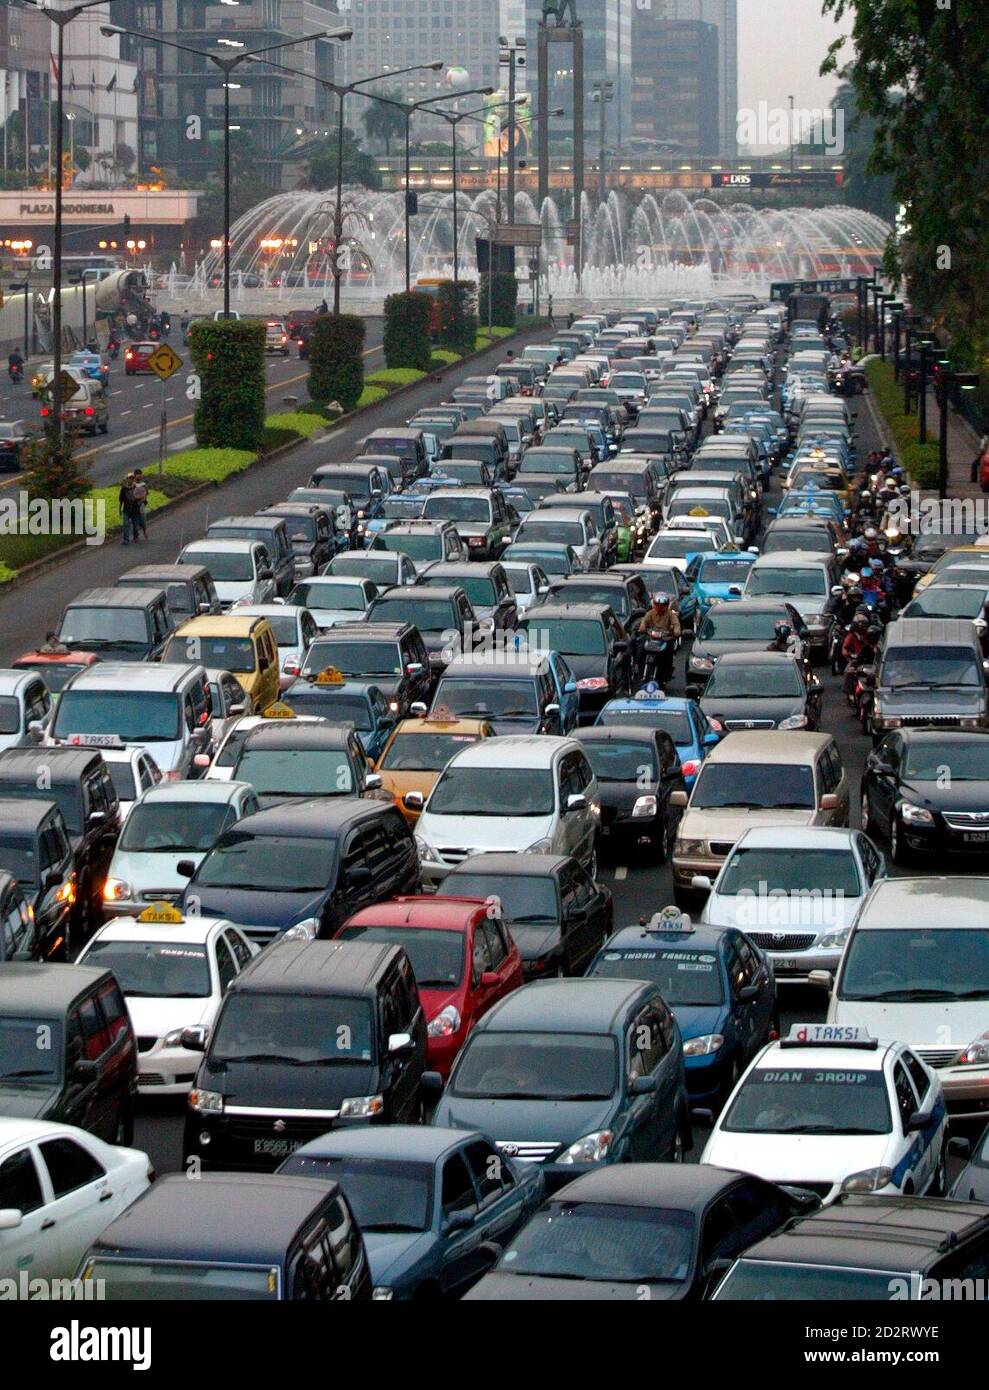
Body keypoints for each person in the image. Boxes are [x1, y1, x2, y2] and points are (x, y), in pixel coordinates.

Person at [119, 472, 142, 546]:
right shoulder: (124, 489)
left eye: (132, 478)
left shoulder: (136, 488)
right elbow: (121, 499)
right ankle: (126, 539)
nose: (131, 480)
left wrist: (139, 505)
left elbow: (140, 498)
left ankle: (136, 536)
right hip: (126, 509)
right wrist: (120, 509)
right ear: (127, 479)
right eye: (129, 478)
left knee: (135, 525)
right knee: (126, 524)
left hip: (135, 510)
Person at [131, 468, 149, 539]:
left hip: (141, 504)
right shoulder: (132, 484)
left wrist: (143, 500)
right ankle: (136, 535)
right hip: (133, 505)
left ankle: (144, 531)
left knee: (143, 518)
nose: (138, 477)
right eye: (137, 476)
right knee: (134, 521)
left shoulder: (143, 485)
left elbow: (146, 494)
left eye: (140, 476)